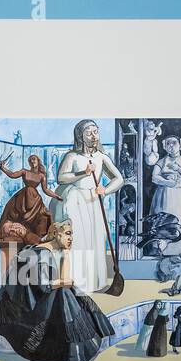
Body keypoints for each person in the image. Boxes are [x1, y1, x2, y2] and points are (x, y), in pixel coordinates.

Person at [0, 220, 115, 361]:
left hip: (37, 300)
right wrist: (67, 282)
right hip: (26, 313)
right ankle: (76, 349)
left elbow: (61, 280)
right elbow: (45, 287)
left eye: (72, 234)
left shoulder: (50, 251)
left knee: (67, 291)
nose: (71, 238)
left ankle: (77, 347)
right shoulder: (40, 253)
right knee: (65, 293)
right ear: (55, 234)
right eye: (67, 233)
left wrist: (66, 255)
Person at [49, 120, 124, 295]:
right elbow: (61, 178)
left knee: (96, 239)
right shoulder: (72, 156)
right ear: (80, 136)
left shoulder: (102, 157)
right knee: (78, 240)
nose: (94, 136)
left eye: (96, 132)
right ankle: (75, 282)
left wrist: (105, 190)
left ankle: (94, 283)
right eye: (89, 132)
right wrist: (84, 173)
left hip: (93, 200)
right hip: (75, 201)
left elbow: (119, 179)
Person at [0, 153, 59, 278]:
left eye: (34, 159)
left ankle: (39, 240)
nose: (32, 161)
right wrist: (3, 168)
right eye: (30, 160)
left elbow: (45, 190)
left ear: (38, 161)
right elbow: (13, 175)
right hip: (22, 198)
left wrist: (56, 196)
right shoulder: (24, 171)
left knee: (45, 216)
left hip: (35, 200)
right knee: (15, 213)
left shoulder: (41, 176)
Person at [148, 136, 181, 256]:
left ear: (180, 145)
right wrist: (167, 182)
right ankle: (163, 252)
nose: (171, 146)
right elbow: (154, 177)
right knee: (165, 224)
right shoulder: (161, 161)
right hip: (164, 196)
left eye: (174, 143)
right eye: (168, 144)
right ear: (165, 146)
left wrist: (179, 169)